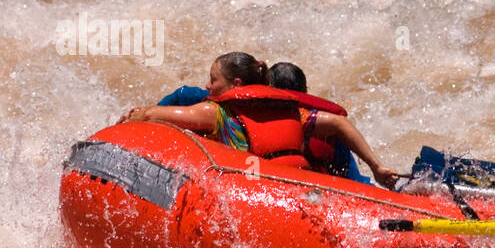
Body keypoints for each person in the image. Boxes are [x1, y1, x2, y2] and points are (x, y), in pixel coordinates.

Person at [120, 52, 399, 188]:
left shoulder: (215, 112)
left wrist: (128, 129)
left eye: (213, 80)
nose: (207, 86)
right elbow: (339, 124)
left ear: (236, 84)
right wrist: (377, 166)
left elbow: (150, 115)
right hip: (295, 193)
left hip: (254, 197)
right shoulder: (292, 113)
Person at [265, 62, 371, 185]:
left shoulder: (256, 120)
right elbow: (355, 182)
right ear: (305, 91)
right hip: (321, 191)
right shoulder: (330, 130)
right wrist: (376, 167)